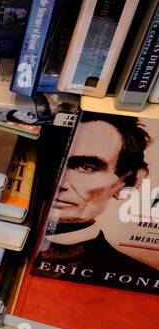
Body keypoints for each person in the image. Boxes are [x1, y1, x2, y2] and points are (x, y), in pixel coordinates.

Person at [33, 112, 152, 291]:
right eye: (54, 161)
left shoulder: (140, 278)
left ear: (129, 183)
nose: (61, 183)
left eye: (86, 167)